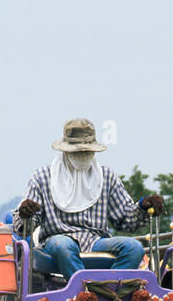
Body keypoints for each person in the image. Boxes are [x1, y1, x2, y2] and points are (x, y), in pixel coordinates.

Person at [11, 117, 165, 280]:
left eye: (87, 150)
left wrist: (142, 207)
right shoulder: (43, 177)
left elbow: (125, 220)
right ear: (65, 150)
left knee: (134, 248)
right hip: (57, 241)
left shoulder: (106, 177)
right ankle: (83, 294)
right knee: (63, 245)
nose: (83, 154)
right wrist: (26, 213)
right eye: (78, 151)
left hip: (96, 241)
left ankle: (110, 290)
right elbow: (23, 228)